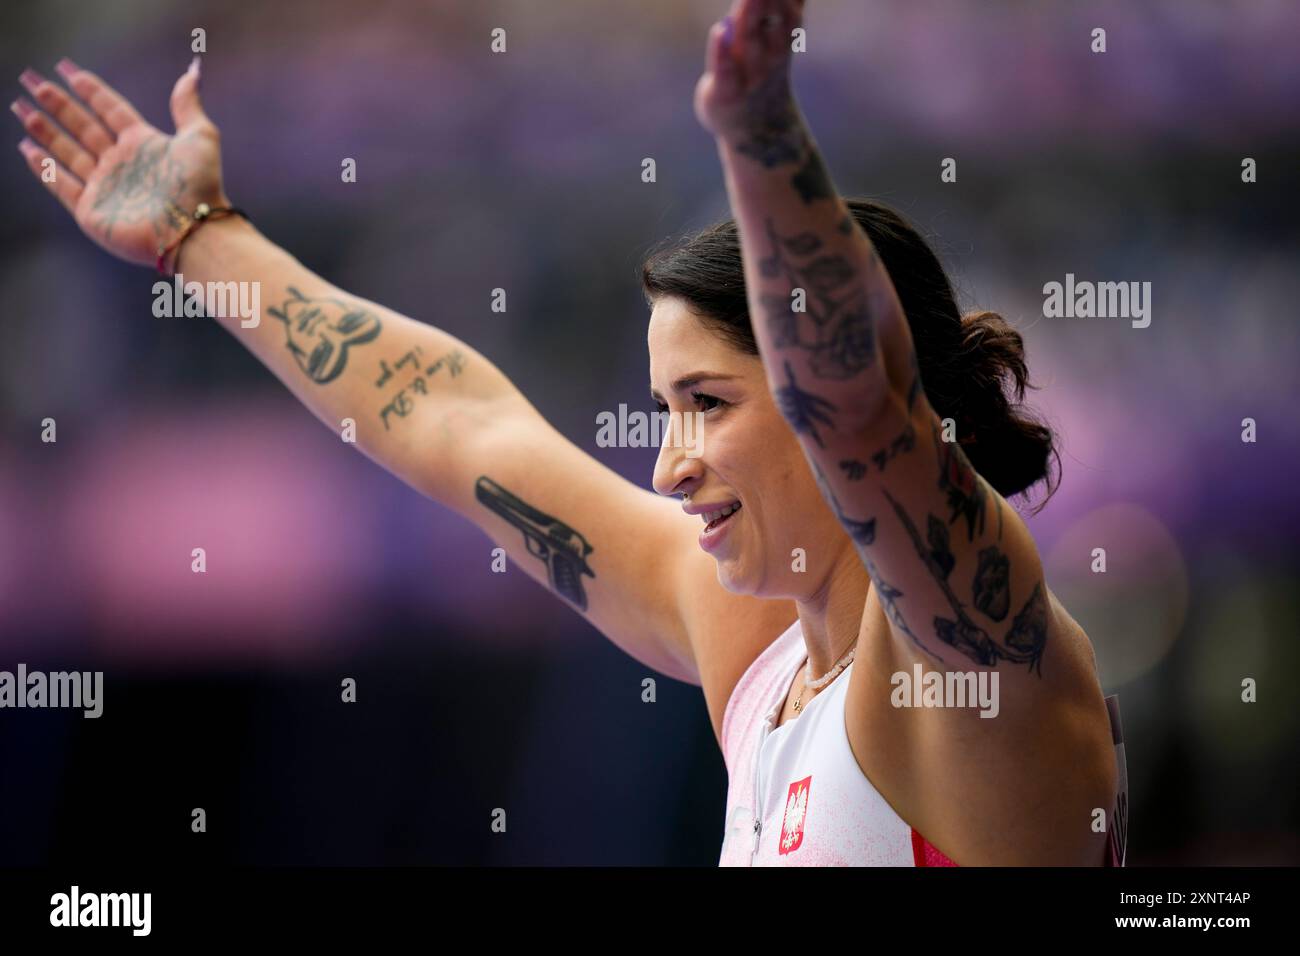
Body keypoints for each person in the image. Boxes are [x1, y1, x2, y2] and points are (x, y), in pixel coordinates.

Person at [13, 0, 1126, 866]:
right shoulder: (752, 645)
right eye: (663, 408)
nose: (669, 459)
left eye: (709, 402)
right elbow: (457, 420)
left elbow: (860, 405)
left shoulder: (965, 652)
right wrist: (196, 238)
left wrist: (765, 151)